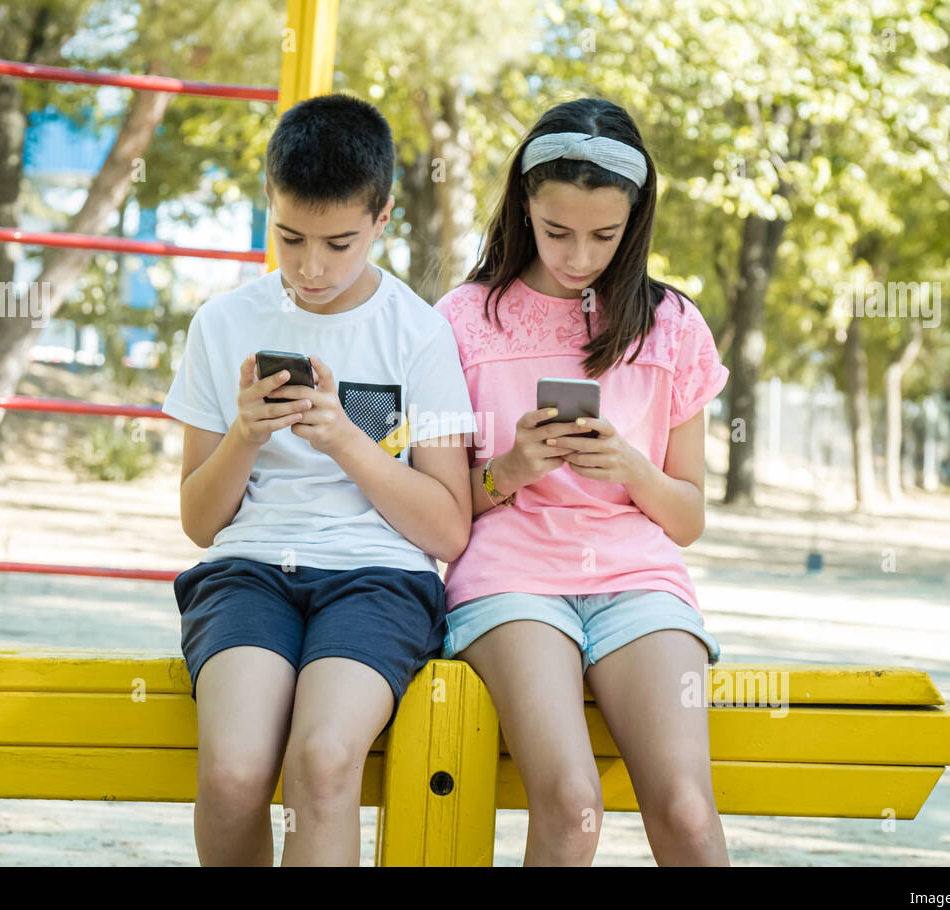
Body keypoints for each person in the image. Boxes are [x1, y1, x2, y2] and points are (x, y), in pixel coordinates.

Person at [162, 93, 475, 866]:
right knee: (233, 774)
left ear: (382, 219)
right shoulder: (223, 322)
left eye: (339, 243)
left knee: (324, 763)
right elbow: (200, 523)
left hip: (379, 579)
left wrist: (345, 440)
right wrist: (244, 434)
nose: (310, 267)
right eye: (289, 236)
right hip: (249, 572)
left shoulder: (419, 334)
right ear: (267, 202)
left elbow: (447, 528)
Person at [433, 97, 732, 866]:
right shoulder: (462, 321)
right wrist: (507, 471)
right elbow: (428, 512)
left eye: (605, 235)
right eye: (556, 230)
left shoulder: (672, 326)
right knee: (572, 807)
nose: (579, 255)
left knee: (690, 812)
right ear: (522, 207)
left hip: (639, 578)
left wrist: (632, 467)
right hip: (511, 579)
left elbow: (689, 516)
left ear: (636, 219)